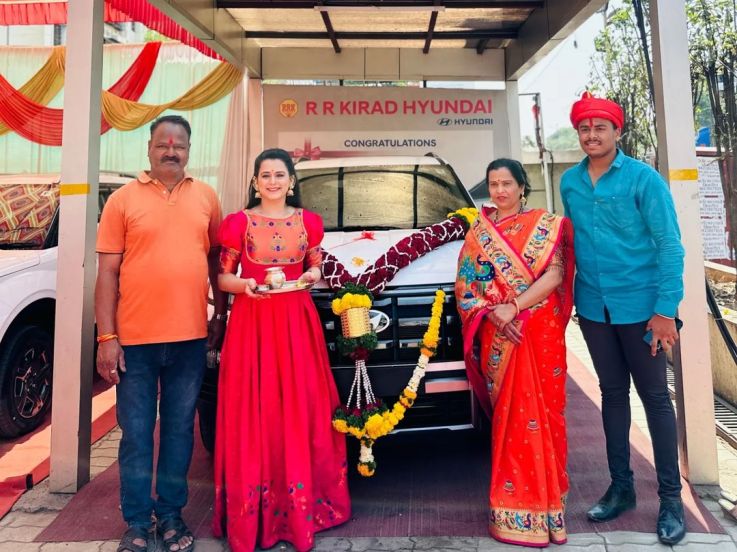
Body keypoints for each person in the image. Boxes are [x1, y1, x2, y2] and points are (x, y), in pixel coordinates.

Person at [95, 115, 227, 552]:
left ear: (190, 151)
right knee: (135, 434)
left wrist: (219, 314)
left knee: (177, 432)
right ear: (148, 148)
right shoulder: (122, 200)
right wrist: (106, 338)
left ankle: (170, 515)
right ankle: (135, 521)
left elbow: (216, 263)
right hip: (134, 341)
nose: (171, 150)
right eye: (163, 144)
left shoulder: (206, 197)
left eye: (180, 145)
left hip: (190, 339)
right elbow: (107, 274)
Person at [560, 92, 686, 545]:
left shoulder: (643, 180)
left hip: (643, 310)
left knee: (654, 398)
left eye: (600, 127)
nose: (591, 135)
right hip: (594, 307)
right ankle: (622, 488)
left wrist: (665, 312)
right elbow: (570, 246)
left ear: (618, 131)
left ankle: (671, 500)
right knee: (612, 395)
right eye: (584, 128)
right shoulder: (570, 183)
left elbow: (671, 245)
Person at [211, 148, 350, 552]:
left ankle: (303, 512)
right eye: (265, 175)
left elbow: (315, 267)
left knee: (301, 406)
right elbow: (223, 278)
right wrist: (246, 287)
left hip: (297, 322)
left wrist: (309, 274)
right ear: (255, 181)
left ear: (292, 181)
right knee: (255, 410)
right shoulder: (238, 223)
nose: (273, 181)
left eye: (279, 174)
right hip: (253, 324)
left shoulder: (309, 222)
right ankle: (254, 516)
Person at [455, 158, 575, 547]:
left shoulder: (545, 224)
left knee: (546, 412)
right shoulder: (479, 233)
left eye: (508, 183)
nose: (500, 191)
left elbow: (555, 275)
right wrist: (494, 312)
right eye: (493, 184)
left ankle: (549, 503)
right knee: (510, 418)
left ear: (523, 187)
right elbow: (467, 288)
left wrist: (515, 307)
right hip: (500, 334)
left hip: (538, 330)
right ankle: (513, 506)